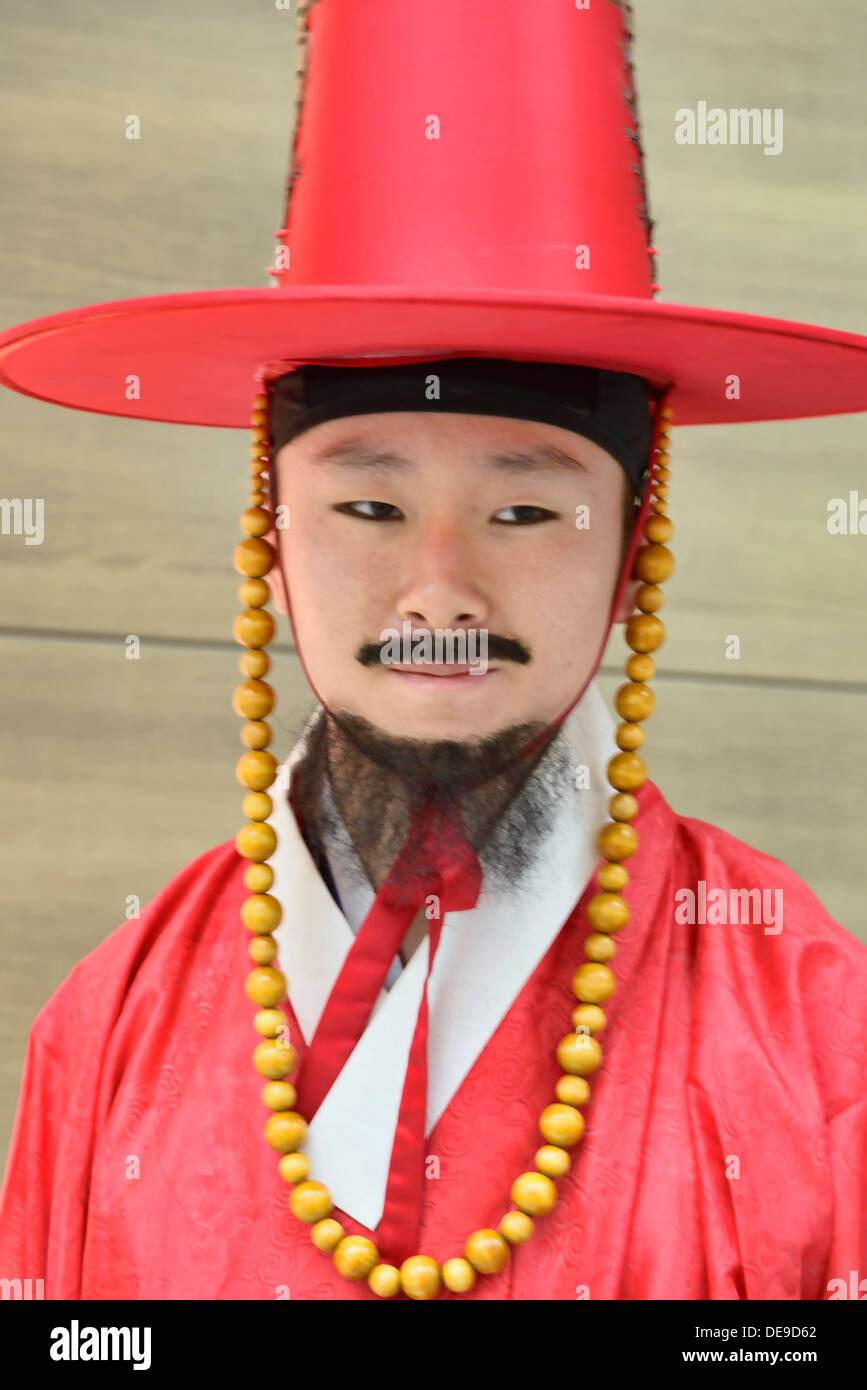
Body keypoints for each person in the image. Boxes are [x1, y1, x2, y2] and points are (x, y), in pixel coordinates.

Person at [1, 0, 866, 1301]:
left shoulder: (813, 1024)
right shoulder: (107, 1022)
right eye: (369, 505)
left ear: (635, 544)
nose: (439, 582)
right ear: (270, 533)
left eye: (526, 509)